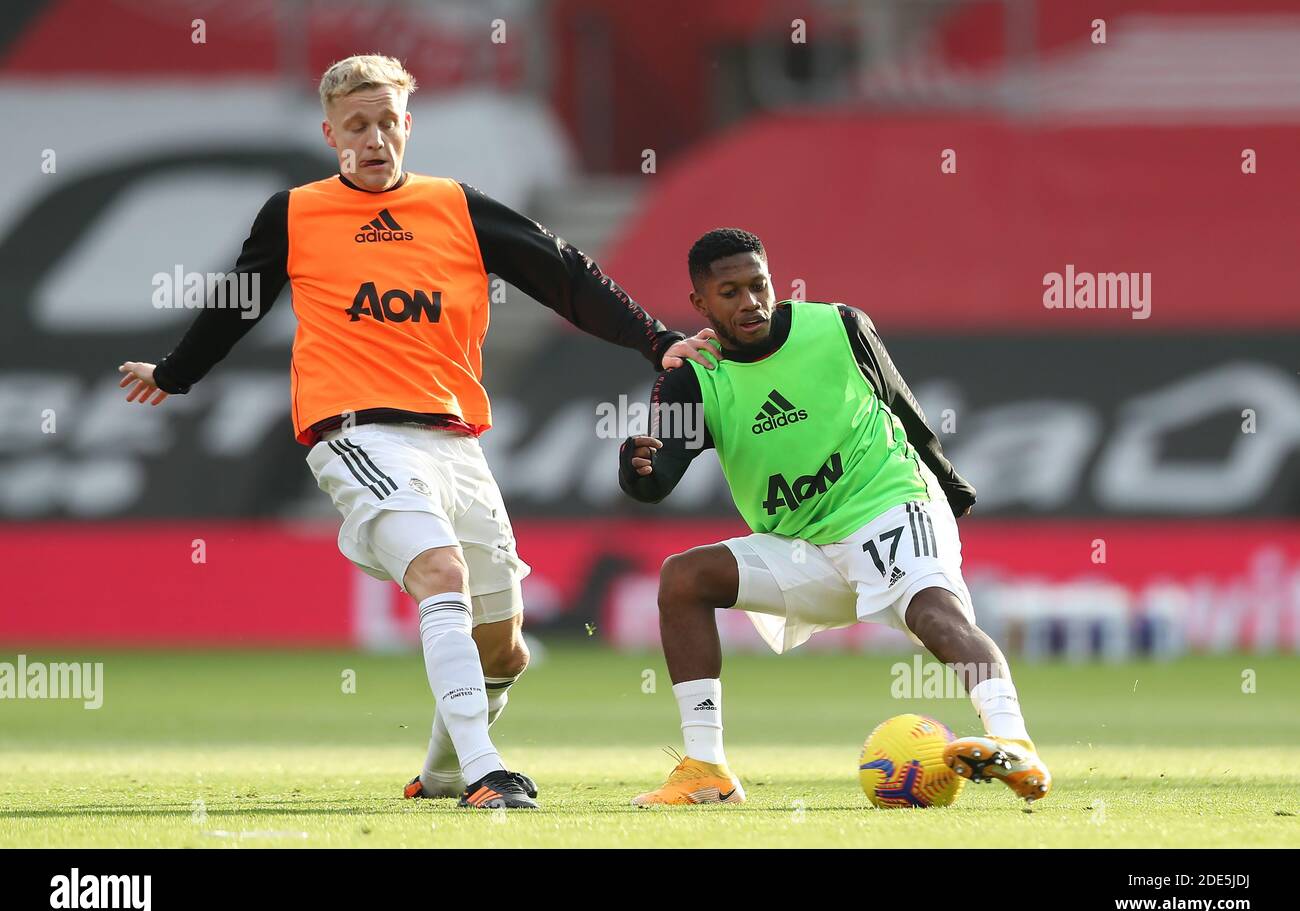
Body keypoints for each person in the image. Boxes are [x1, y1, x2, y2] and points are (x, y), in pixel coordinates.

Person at [118, 54, 718, 810]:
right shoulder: (296, 212)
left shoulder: (456, 207)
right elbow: (239, 303)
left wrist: (655, 340)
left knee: (505, 647)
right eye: (356, 126)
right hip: (357, 435)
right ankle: (484, 771)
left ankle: (438, 773)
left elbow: (563, 274)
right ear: (330, 131)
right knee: (439, 573)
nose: (373, 140)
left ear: (409, 124)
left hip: (456, 441)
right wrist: (176, 372)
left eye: (386, 123)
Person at [617, 227, 1051, 806]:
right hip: (801, 546)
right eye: (730, 292)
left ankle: (1014, 742)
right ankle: (707, 770)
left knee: (933, 612)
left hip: (886, 505)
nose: (750, 302)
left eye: (758, 285)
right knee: (683, 579)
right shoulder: (691, 377)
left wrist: (947, 483)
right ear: (700, 304)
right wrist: (636, 469)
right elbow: (660, 476)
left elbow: (901, 403)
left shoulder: (839, 327)